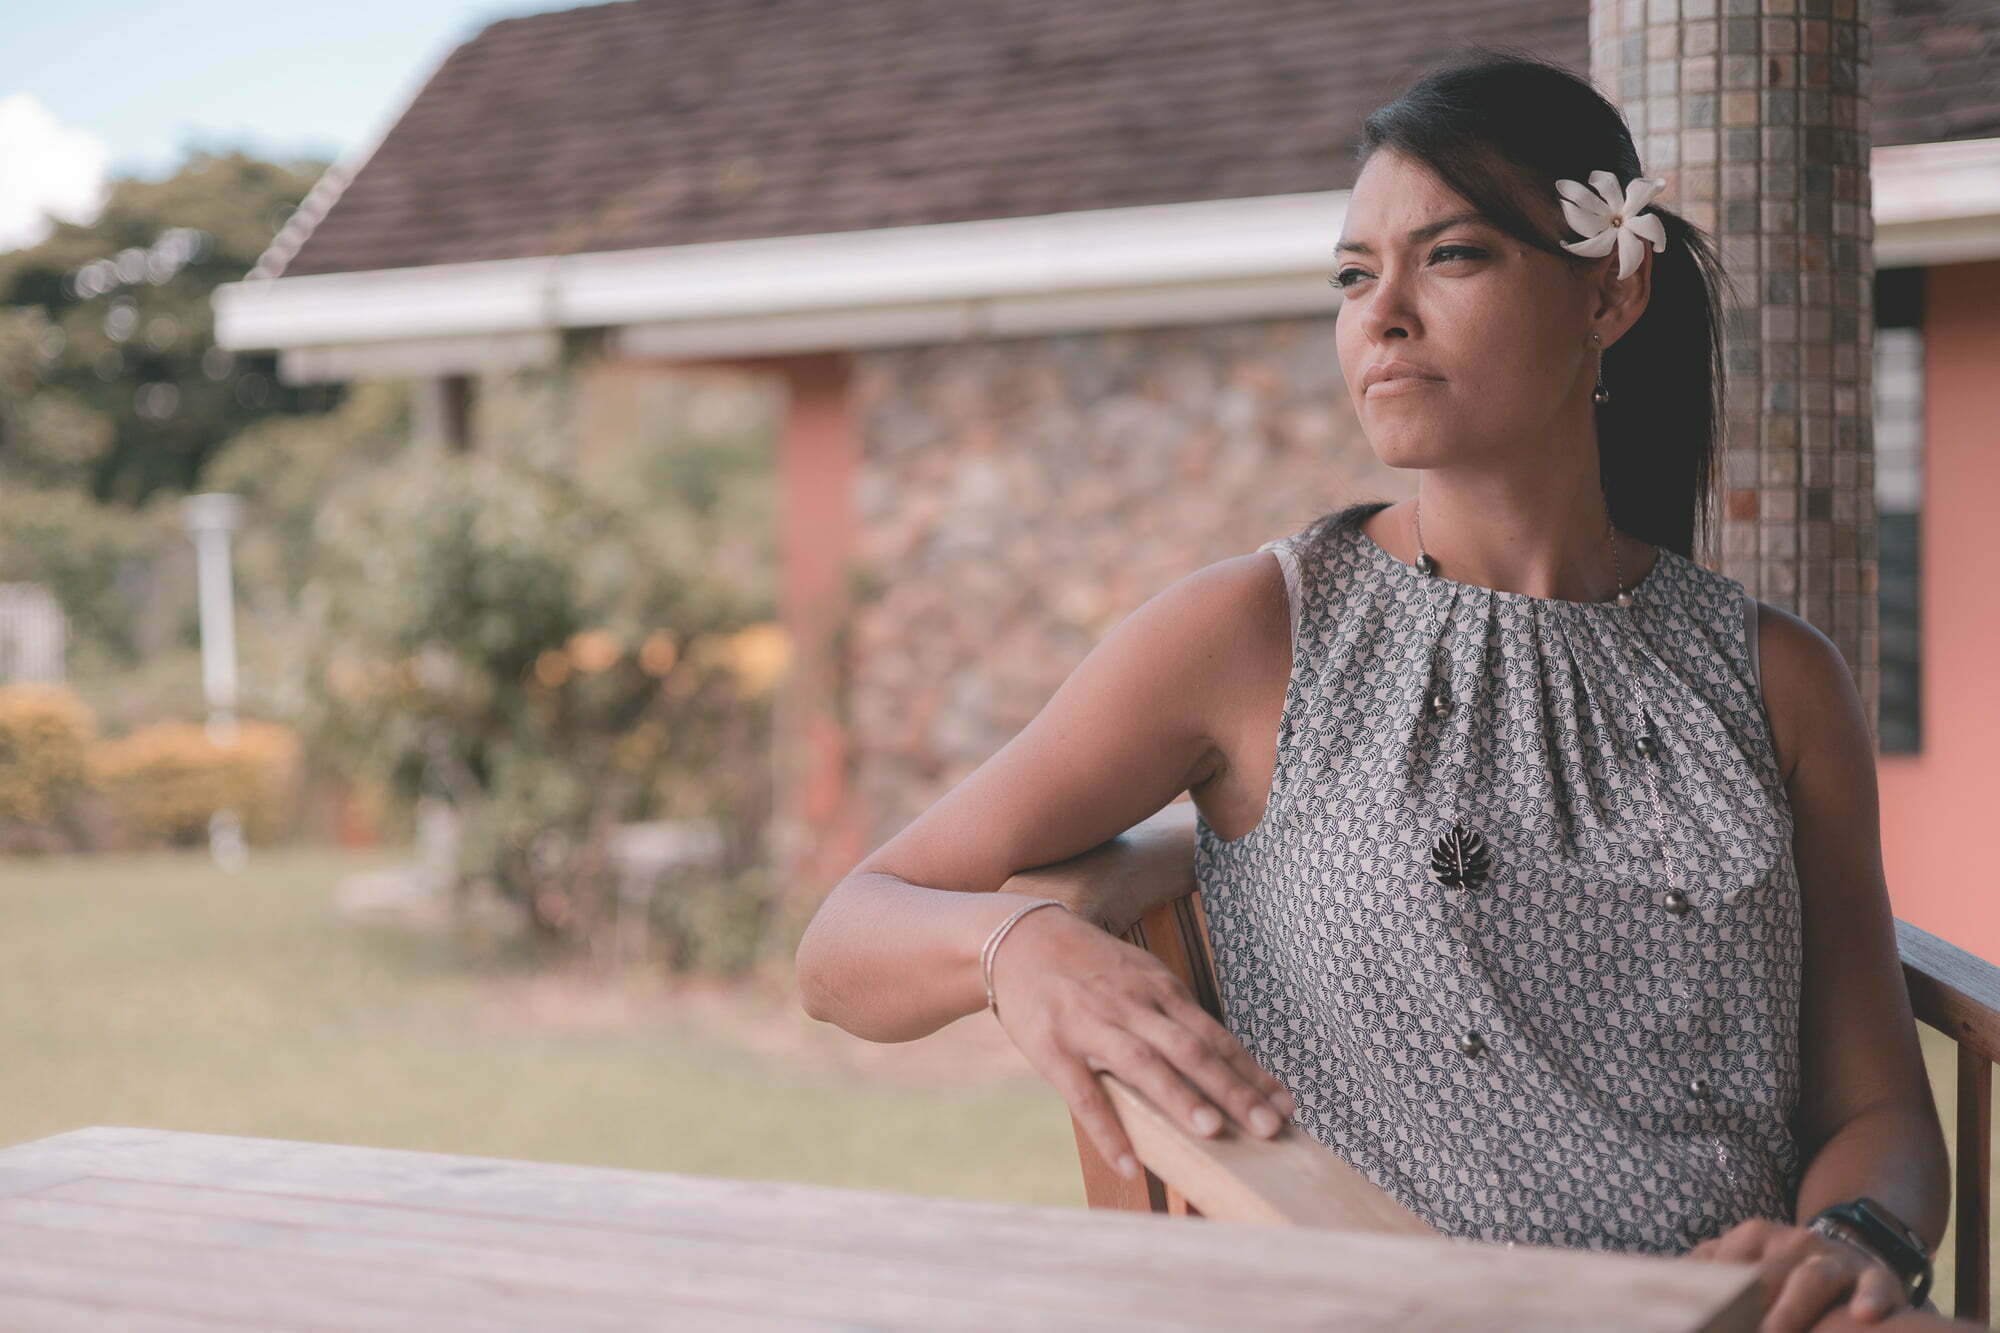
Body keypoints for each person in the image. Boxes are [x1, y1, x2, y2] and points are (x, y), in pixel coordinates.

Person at [794, 48, 1953, 1330]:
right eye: (1353, 276)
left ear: (1608, 294)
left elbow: (1876, 1108)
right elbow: (843, 940)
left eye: (1450, 256)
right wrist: (1018, 948)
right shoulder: (1257, 632)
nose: (1381, 314)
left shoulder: (1772, 677)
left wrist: (1850, 1240)